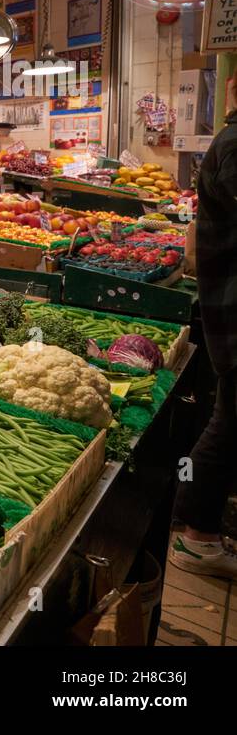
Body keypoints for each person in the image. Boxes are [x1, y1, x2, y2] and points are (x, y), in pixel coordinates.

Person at [172, 69, 237, 577]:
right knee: (227, 422)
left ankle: (198, 526)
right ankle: (195, 531)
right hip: (231, 311)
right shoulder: (234, 148)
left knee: (228, 419)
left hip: (226, 308)